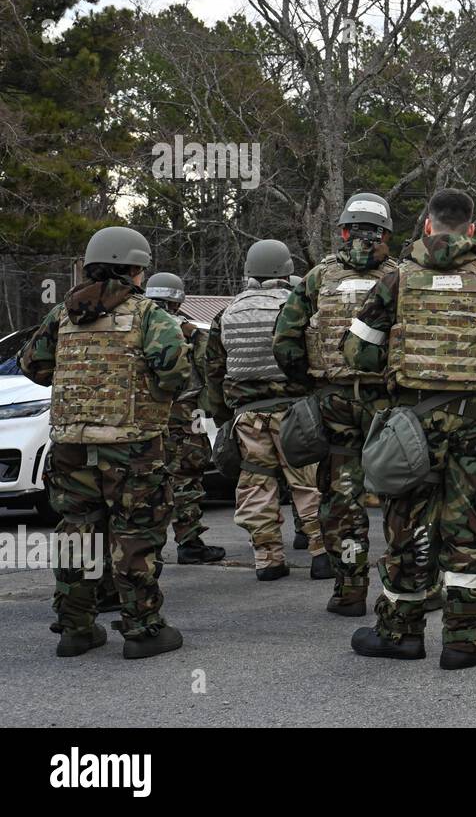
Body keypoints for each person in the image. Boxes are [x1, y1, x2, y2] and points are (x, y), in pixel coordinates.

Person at [342, 188, 476, 667]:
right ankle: (465, 640)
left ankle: (400, 634)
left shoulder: (396, 280)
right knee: (473, 528)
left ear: (428, 226)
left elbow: (357, 353)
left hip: (411, 429)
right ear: (471, 229)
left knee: (406, 526)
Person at [19, 227, 187, 658]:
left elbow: (33, 366)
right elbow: (175, 372)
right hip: (132, 447)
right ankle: (143, 630)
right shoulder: (150, 314)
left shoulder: (63, 314)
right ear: (132, 268)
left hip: (71, 447)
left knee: (77, 534)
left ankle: (75, 629)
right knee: (135, 535)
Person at [273, 193, 399, 616]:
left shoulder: (316, 278)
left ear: (344, 232)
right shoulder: (402, 278)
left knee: (343, 499)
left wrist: (311, 385)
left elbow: (286, 342)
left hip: (335, 402)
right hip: (390, 406)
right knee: (404, 494)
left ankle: (349, 591)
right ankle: (407, 589)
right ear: (386, 235)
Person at [203, 240, 328, 581]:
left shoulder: (226, 314)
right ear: (286, 270)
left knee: (256, 487)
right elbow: (315, 357)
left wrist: (223, 417)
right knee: (308, 484)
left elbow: (214, 370)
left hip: (247, 416)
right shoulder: (295, 306)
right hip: (295, 414)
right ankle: (322, 554)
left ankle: (267, 559)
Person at [142, 272, 226, 564]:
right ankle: (189, 541)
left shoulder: (134, 323)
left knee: (144, 480)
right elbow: (208, 369)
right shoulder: (186, 330)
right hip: (184, 412)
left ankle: (146, 547)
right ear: (177, 300)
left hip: (142, 414)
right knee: (186, 476)